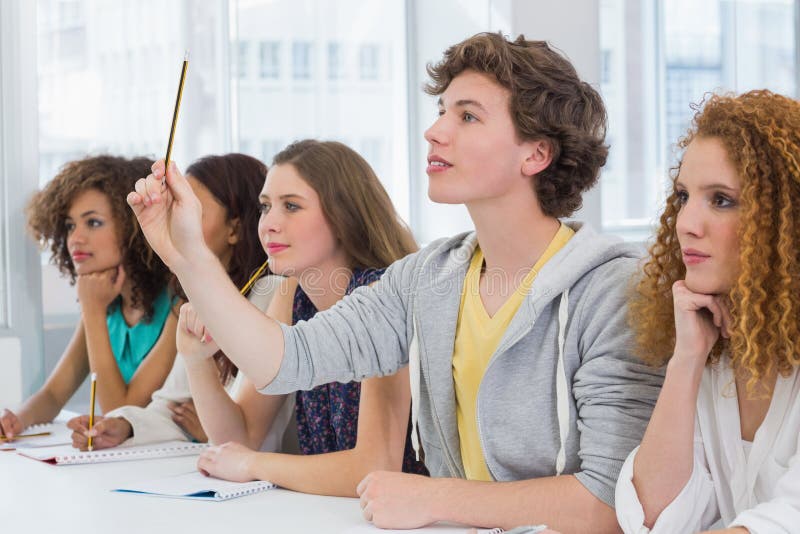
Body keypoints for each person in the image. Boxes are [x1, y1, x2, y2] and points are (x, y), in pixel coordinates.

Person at [128, 33, 662, 532]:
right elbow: (283, 361)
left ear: (536, 153)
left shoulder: (611, 291)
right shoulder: (427, 278)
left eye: (468, 116)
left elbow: (613, 501)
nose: (435, 131)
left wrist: (437, 497)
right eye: (441, 111)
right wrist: (186, 254)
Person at [175, 140, 426, 496]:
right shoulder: (290, 294)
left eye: (291, 206)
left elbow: (373, 468)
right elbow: (241, 436)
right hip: (333, 513)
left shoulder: (381, 298)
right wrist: (196, 360)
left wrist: (253, 464)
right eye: (265, 207)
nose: (269, 224)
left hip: (406, 516)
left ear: (343, 216)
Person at [615, 90, 800, 533]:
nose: (685, 224)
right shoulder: (716, 350)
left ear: (786, 220)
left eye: (721, 200)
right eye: (683, 196)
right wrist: (687, 360)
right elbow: (654, 517)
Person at [66, 154, 291, 452]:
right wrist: (124, 426)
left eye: (194, 212)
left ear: (234, 229)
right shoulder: (199, 297)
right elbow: (171, 406)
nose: (178, 223)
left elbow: (247, 433)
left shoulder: (272, 293)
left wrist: (209, 428)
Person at [0, 155, 176, 439]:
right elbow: (53, 394)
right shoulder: (107, 306)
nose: (75, 239)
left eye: (93, 223)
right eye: (70, 226)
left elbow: (120, 411)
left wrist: (92, 311)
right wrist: (17, 419)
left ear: (134, 226)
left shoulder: (178, 304)